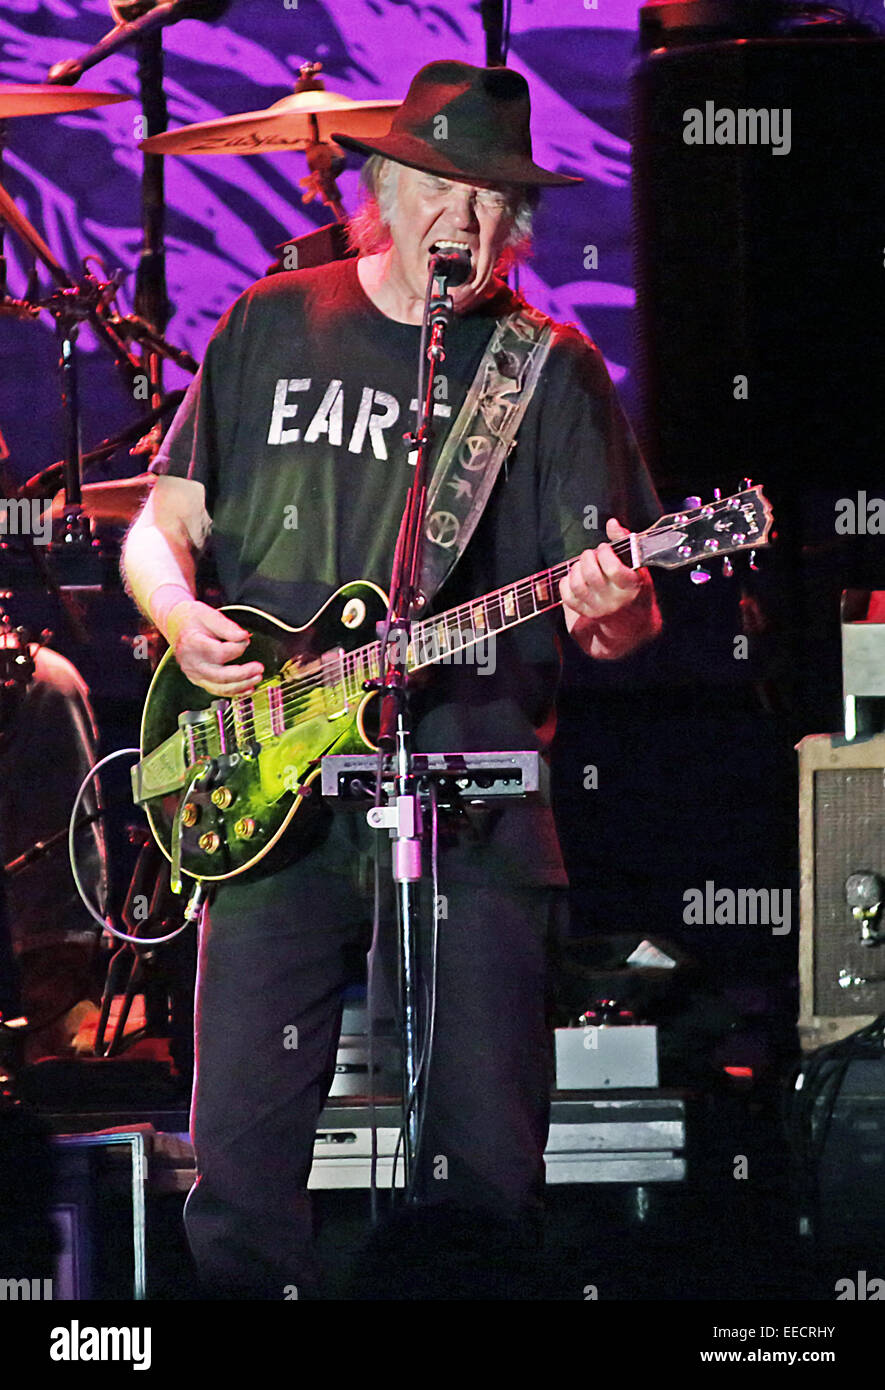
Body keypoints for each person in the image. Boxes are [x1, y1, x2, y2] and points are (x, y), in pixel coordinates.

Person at [121, 60, 663, 1298]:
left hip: (472, 799)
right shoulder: (270, 319)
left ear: (516, 226)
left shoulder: (549, 367)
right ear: (380, 186)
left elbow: (622, 630)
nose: (458, 222)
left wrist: (621, 602)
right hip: (265, 790)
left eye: (489, 202)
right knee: (243, 1172)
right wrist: (178, 611)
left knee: (489, 1167)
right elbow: (160, 527)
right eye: (435, 184)